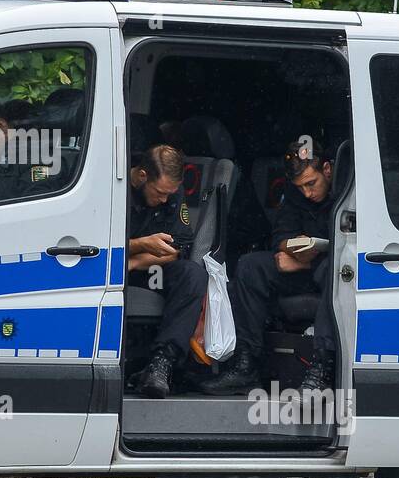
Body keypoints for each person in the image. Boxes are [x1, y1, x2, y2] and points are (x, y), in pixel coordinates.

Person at [195, 136, 337, 394]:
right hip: (301, 266)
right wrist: (291, 248)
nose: (307, 192)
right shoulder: (297, 194)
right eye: (301, 187)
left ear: (327, 169)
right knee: (251, 265)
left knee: (334, 270)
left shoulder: (347, 192)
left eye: (311, 184)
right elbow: (280, 237)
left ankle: (322, 366)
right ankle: (246, 363)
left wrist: (306, 263)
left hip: (332, 270)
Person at [127, 144, 208, 398]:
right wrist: (140, 244)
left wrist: (134, 262)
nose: (165, 199)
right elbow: (96, 241)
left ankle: (161, 364)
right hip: (104, 265)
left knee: (192, 274)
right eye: (160, 192)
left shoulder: (171, 192)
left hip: (144, 268)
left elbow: (177, 248)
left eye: (169, 193)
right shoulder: (113, 185)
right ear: (141, 176)